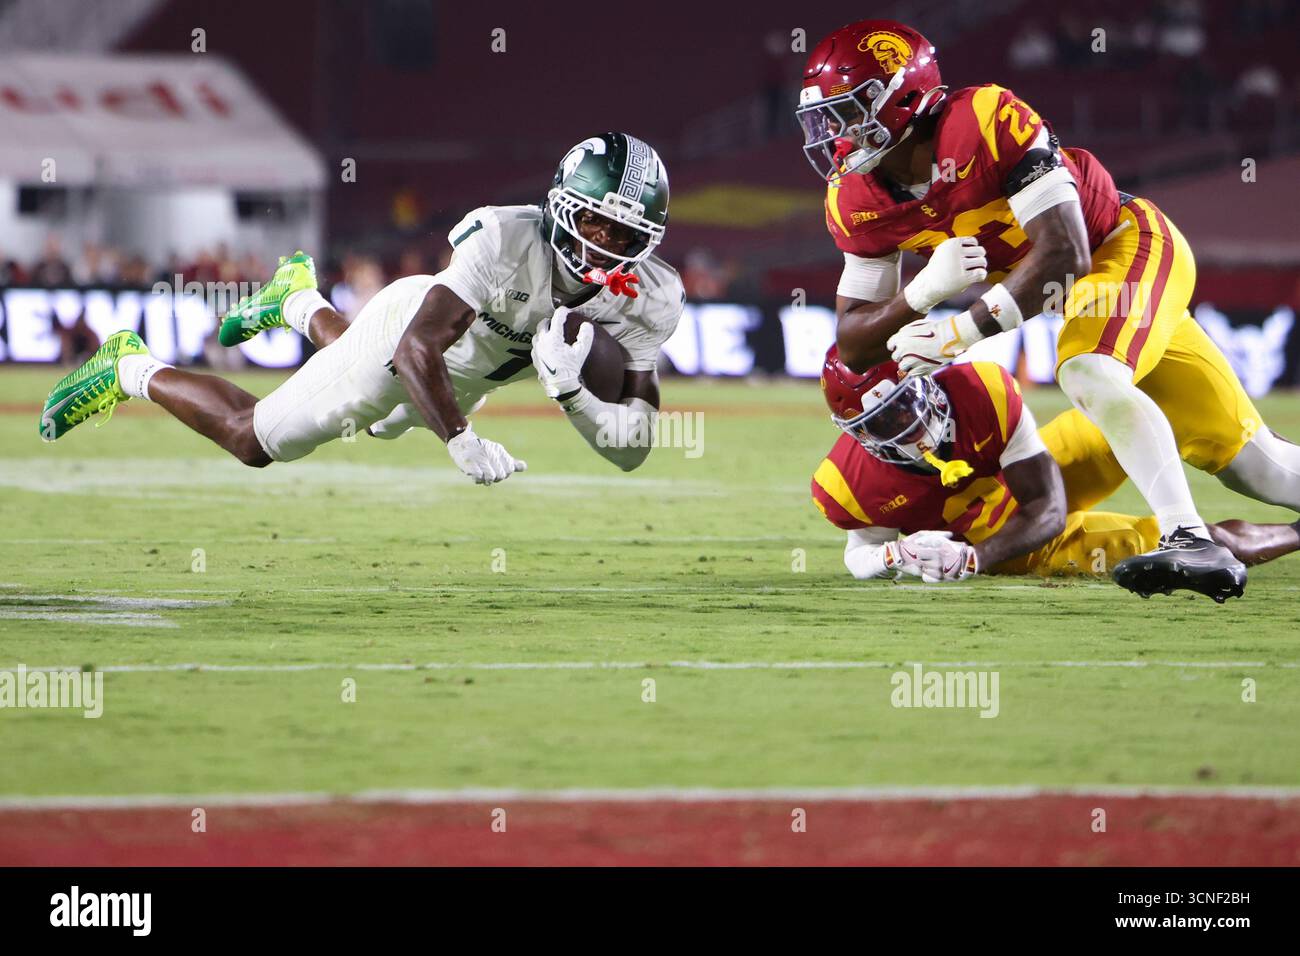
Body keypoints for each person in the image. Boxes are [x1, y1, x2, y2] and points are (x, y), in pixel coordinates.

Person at [796, 18, 1300, 600]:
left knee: (1088, 369)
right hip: (1079, 296)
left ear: (903, 99)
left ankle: (1187, 538)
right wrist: (920, 293)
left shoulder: (982, 119)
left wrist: (959, 331)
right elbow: (854, 344)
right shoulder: (856, 197)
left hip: (1124, 244)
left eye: (848, 111)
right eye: (826, 116)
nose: (835, 133)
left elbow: (1065, 253)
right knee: (1252, 464)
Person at [37, 133, 685, 483]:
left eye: (624, 234)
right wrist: (460, 440)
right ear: (562, 206)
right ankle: (128, 368)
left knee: (376, 421)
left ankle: (296, 299)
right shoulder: (504, 238)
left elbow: (632, 449)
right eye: (595, 222)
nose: (604, 244)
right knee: (253, 441)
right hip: (413, 336)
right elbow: (414, 349)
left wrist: (573, 395)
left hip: (464, 372)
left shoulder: (652, 297)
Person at [813, 350, 1298, 596]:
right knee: (1200, 546)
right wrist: (895, 554)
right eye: (885, 421)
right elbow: (859, 555)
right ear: (858, 433)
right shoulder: (848, 483)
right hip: (1012, 545)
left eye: (908, 402)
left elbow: (1045, 507)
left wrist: (974, 561)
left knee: (1131, 414)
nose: (909, 422)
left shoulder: (979, 389)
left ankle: (1259, 452)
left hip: (1032, 477)